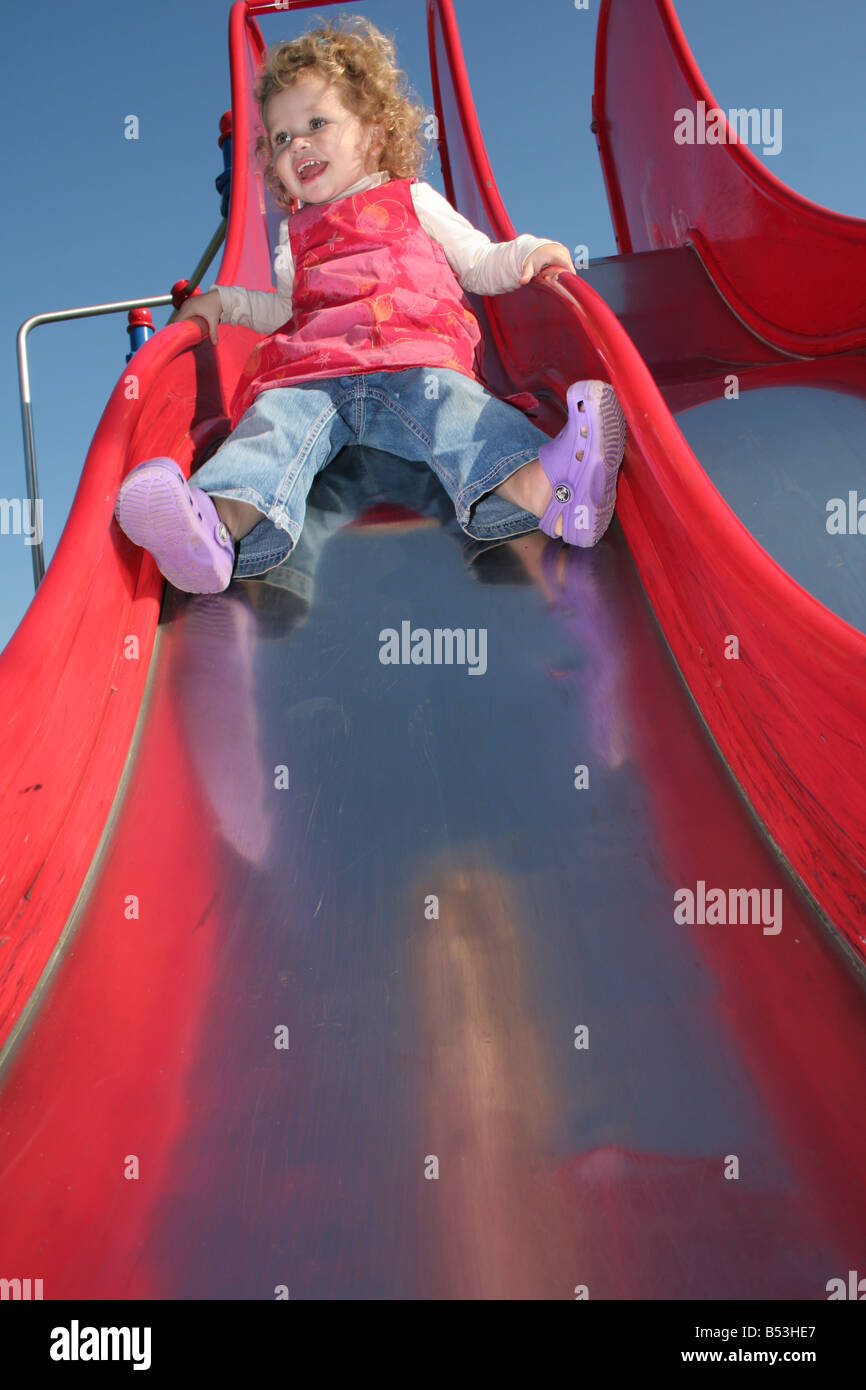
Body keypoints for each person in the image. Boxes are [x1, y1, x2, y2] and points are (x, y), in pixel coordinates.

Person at [114, 15, 627, 594]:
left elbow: (478, 261)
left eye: (316, 123)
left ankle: (551, 491)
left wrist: (530, 252)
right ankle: (213, 529)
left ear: (374, 134)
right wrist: (220, 303)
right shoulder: (296, 236)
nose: (297, 144)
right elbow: (284, 309)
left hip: (413, 359)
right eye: (281, 137)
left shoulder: (410, 197)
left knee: (459, 414)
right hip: (312, 376)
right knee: (269, 430)